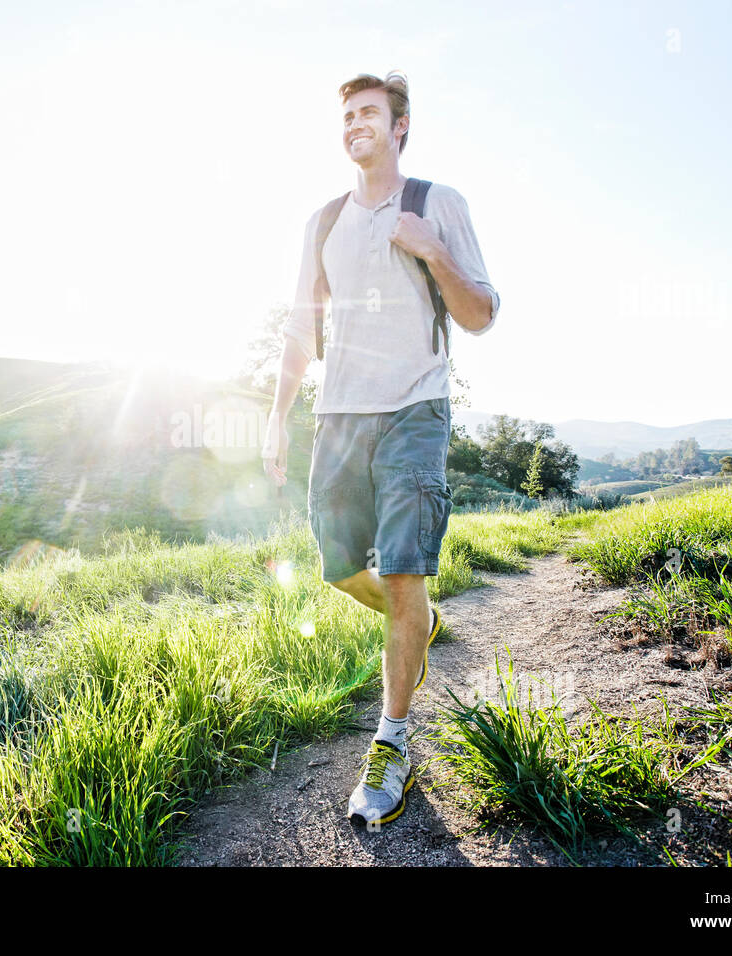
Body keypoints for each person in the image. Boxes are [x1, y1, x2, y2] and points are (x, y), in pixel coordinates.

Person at [261, 71, 500, 827]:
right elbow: (301, 327)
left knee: (401, 569)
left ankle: (392, 740)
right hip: (338, 416)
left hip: (414, 409)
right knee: (338, 566)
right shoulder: (322, 221)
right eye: (348, 115)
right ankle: (417, 621)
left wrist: (432, 252)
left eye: (370, 113)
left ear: (400, 128)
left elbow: (481, 314)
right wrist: (277, 416)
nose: (356, 123)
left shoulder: (438, 204)